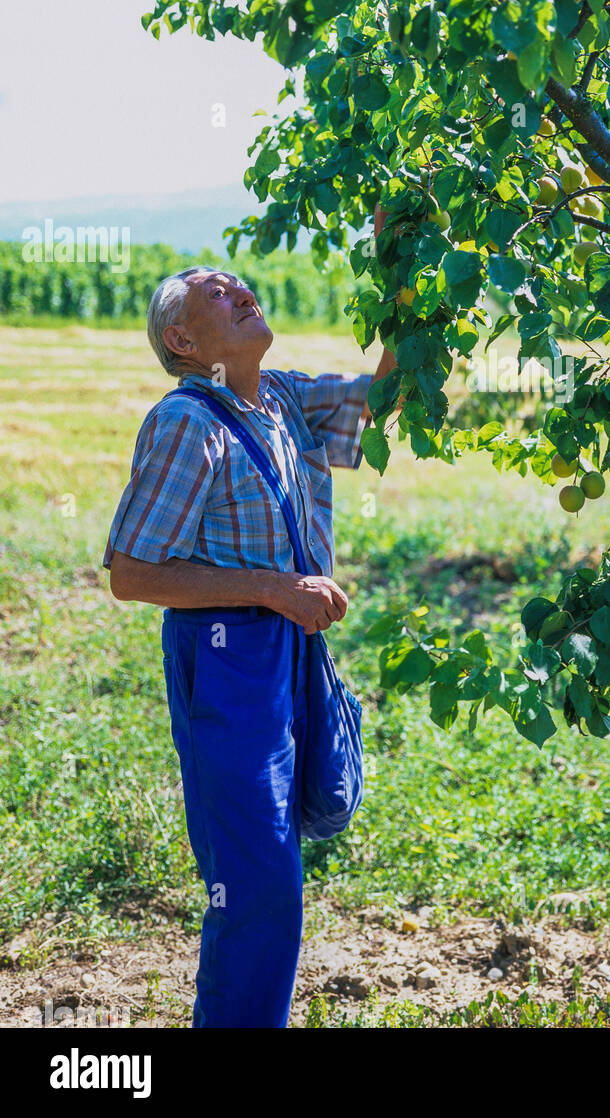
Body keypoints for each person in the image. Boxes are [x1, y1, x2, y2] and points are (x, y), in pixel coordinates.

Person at [104, 212, 396, 1027]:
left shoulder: (284, 401)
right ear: (184, 343)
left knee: (285, 852)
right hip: (230, 660)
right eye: (211, 291)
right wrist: (272, 590)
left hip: (289, 650)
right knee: (259, 880)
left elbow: (391, 392)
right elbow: (132, 574)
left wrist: (408, 259)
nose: (235, 286)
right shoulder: (183, 422)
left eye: (234, 280)